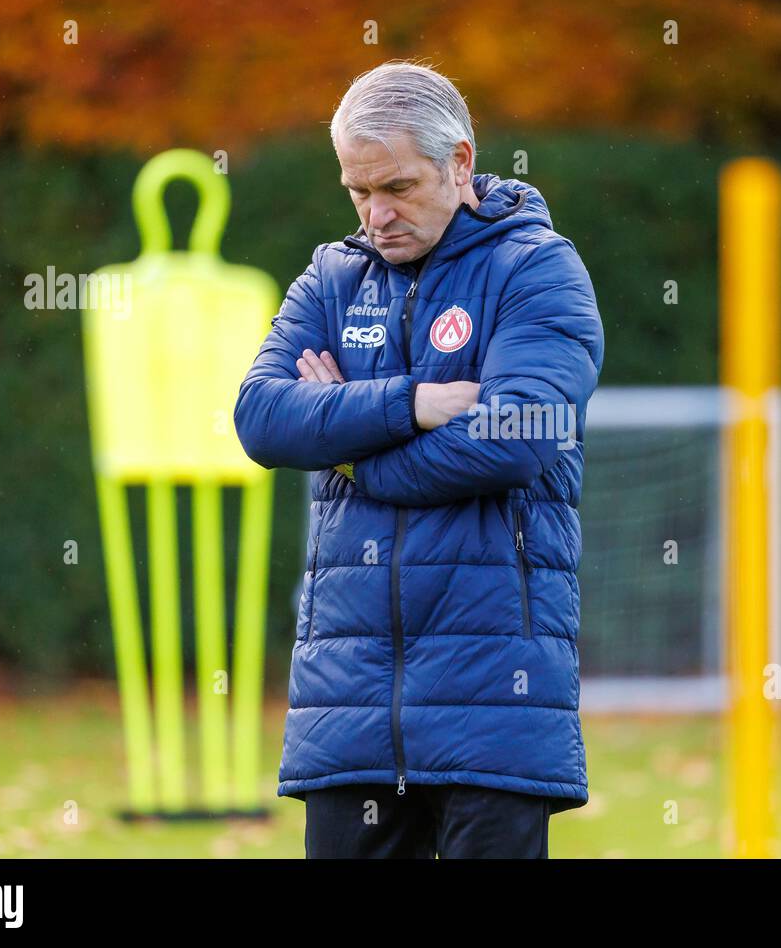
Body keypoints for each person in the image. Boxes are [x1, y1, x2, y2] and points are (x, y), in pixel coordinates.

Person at [234, 60, 604, 858]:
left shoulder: (536, 269)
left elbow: (518, 436)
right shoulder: (332, 279)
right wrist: (409, 405)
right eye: (358, 192)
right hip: (348, 706)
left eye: (397, 187)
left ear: (461, 162)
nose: (377, 215)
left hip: (497, 705)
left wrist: (354, 457)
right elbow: (262, 420)